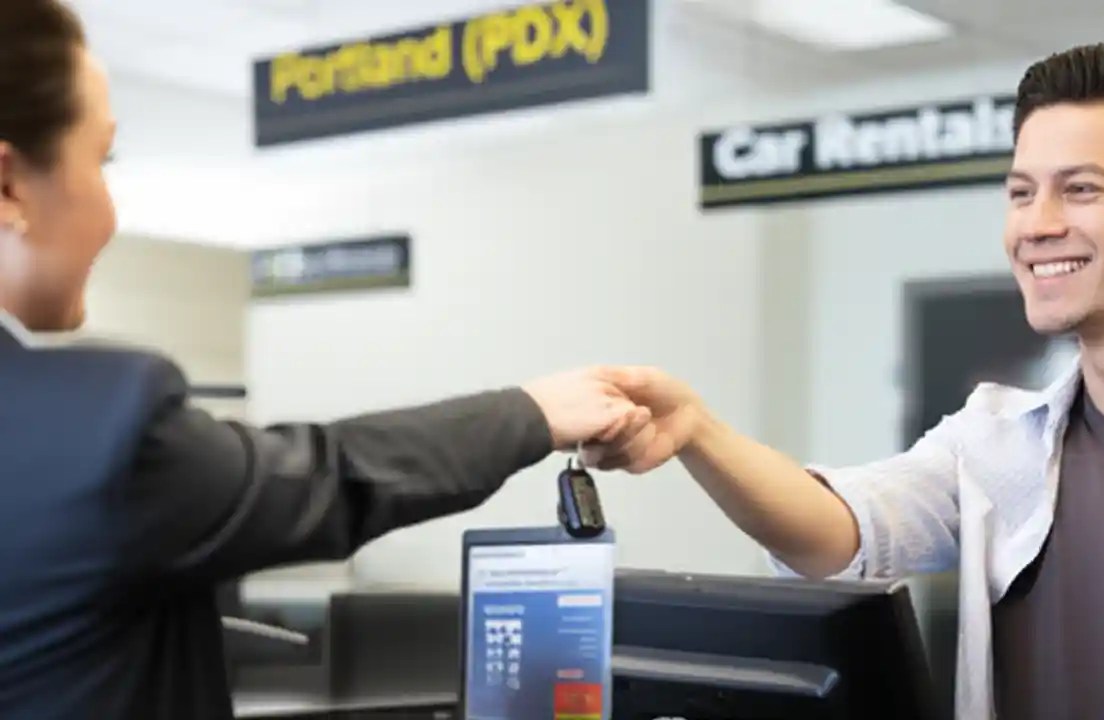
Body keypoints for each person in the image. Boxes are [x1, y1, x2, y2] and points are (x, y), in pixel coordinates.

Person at [591, 43, 1104, 720]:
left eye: (1081, 190)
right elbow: (835, 537)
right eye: (1020, 192)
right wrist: (696, 433)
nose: (1036, 226)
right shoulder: (993, 444)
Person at [0, 2, 650, 718]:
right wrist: (532, 413)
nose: (110, 210)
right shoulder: (92, 432)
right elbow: (332, 475)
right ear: (9, 186)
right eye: (102, 159)